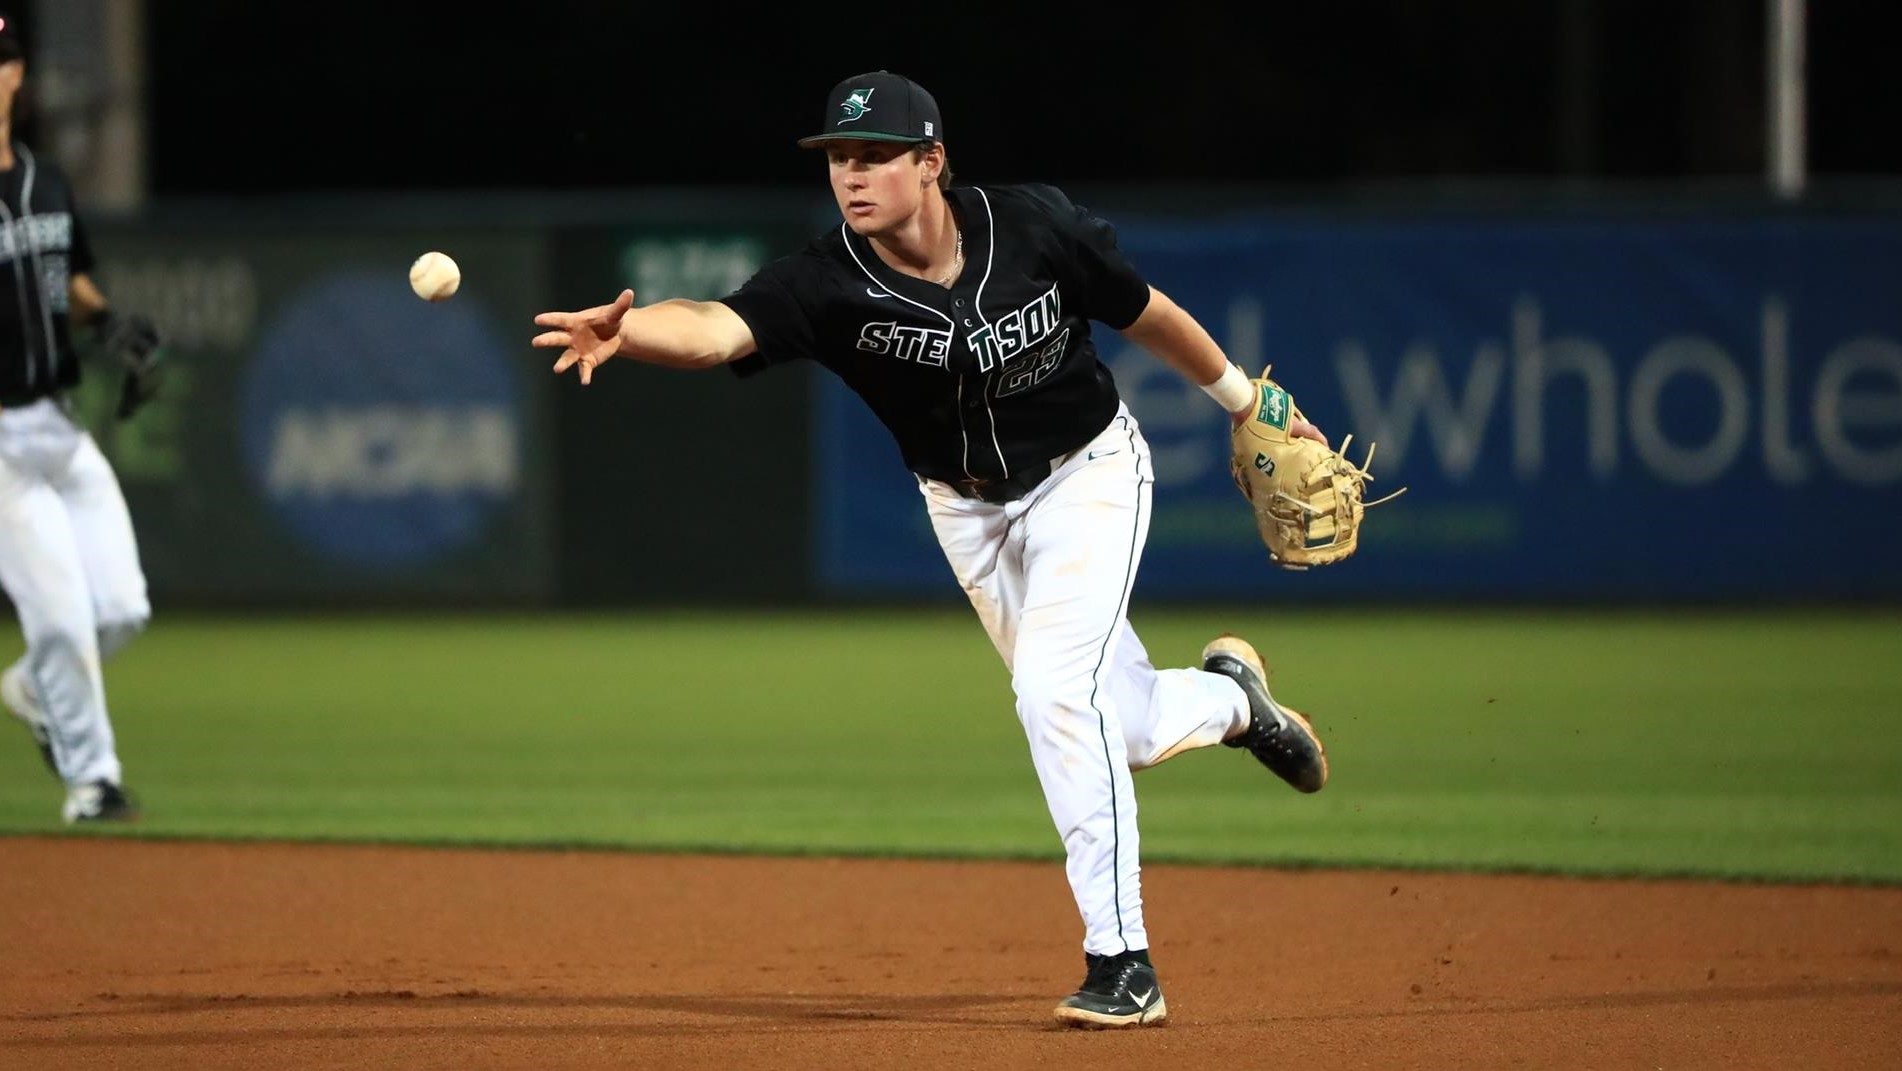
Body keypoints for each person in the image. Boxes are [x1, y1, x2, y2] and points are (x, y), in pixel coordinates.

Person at [533, 70, 1333, 1029]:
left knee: (1053, 692)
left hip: (1088, 475)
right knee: (1116, 726)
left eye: (874, 155)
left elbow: (1145, 311)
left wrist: (1247, 401)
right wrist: (629, 331)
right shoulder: (826, 281)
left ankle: (1122, 961)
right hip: (969, 514)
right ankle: (1232, 701)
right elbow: (714, 328)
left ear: (932, 162)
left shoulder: (1032, 227)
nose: (852, 174)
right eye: (839, 157)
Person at [0, 11, 163, 823]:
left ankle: (35, 688)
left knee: (122, 607)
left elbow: (66, 279)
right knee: (60, 618)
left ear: (15, 75)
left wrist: (110, 322)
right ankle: (93, 781)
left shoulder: (46, 180)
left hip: (59, 424)